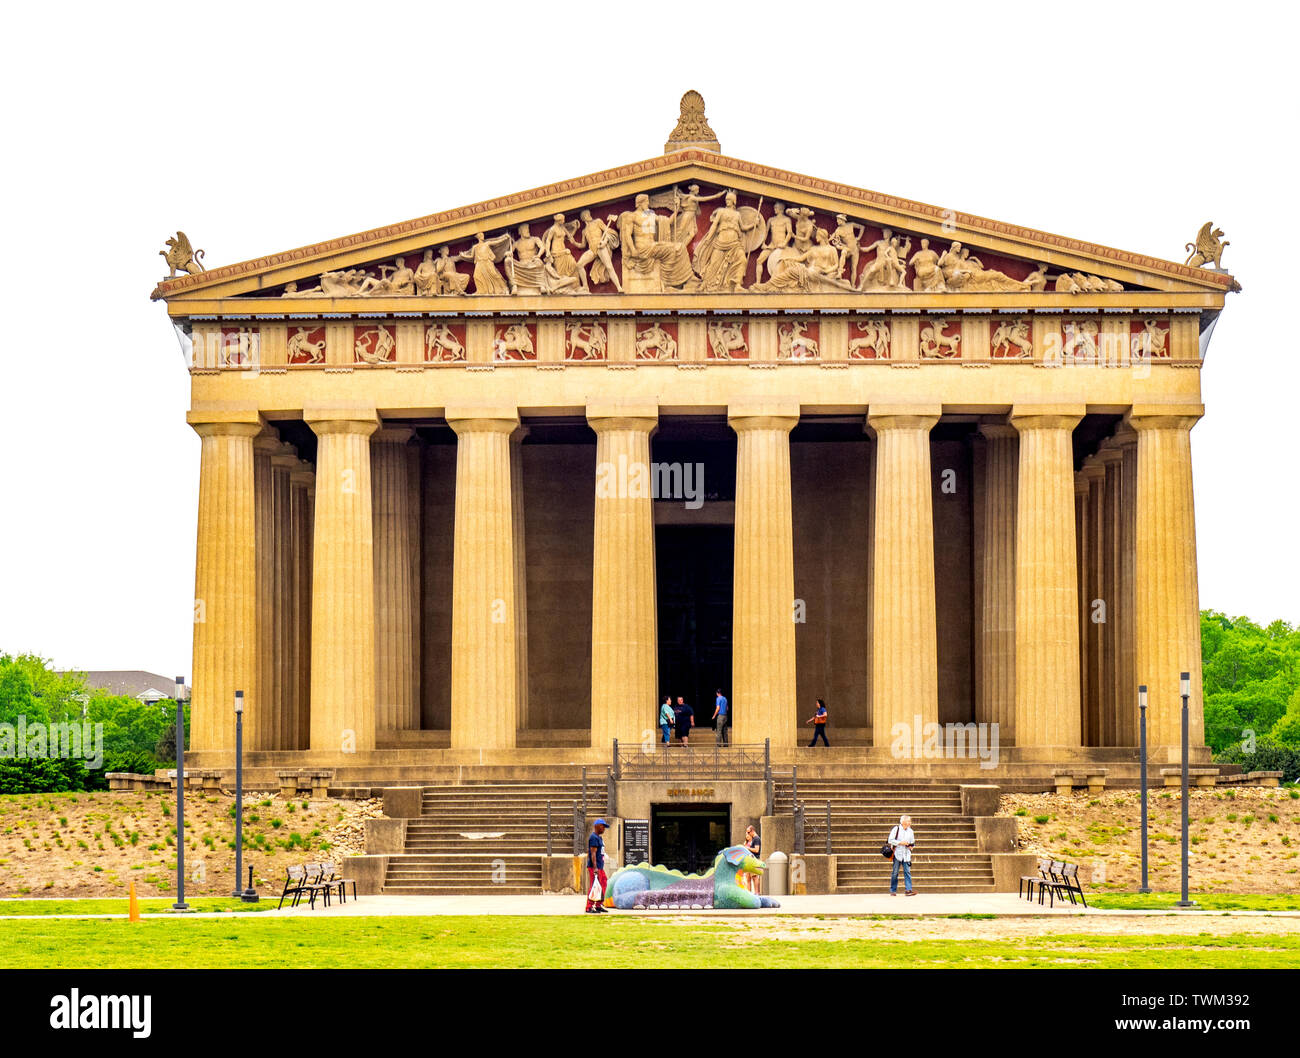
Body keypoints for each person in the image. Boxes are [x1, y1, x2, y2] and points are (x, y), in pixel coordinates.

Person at [586, 819, 610, 913]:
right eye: (602, 826)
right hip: (594, 867)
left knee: (604, 882)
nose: (604, 828)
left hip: (600, 866)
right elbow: (593, 853)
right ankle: (589, 906)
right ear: (597, 826)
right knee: (594, 886)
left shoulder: (599, 838)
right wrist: (595, 868)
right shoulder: (593, 837)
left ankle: (599, 904)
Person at [888, 814, 916, 896]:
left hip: (907, 854)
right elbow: (890, 840)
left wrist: (911, 846)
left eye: (910, 821)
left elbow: (913, 842)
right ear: (903, 822)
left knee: (907, 872)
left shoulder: (911, 831)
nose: (910, 822)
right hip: (898, 853)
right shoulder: (896, 829)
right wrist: (900, 843)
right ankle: (893, 890)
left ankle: (908, 890)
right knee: (895, 872)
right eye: (908, 821)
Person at [742, 824, 762, 895]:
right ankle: (749, 893)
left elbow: (757, 850)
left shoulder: (756, 839)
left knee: (755, 877)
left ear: (752, 831)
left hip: (755, 860)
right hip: (750, 860)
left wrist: (748, 848)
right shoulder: (753, 839)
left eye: (748, 832)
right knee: (748, 877)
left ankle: (757, 892)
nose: (748, 834)